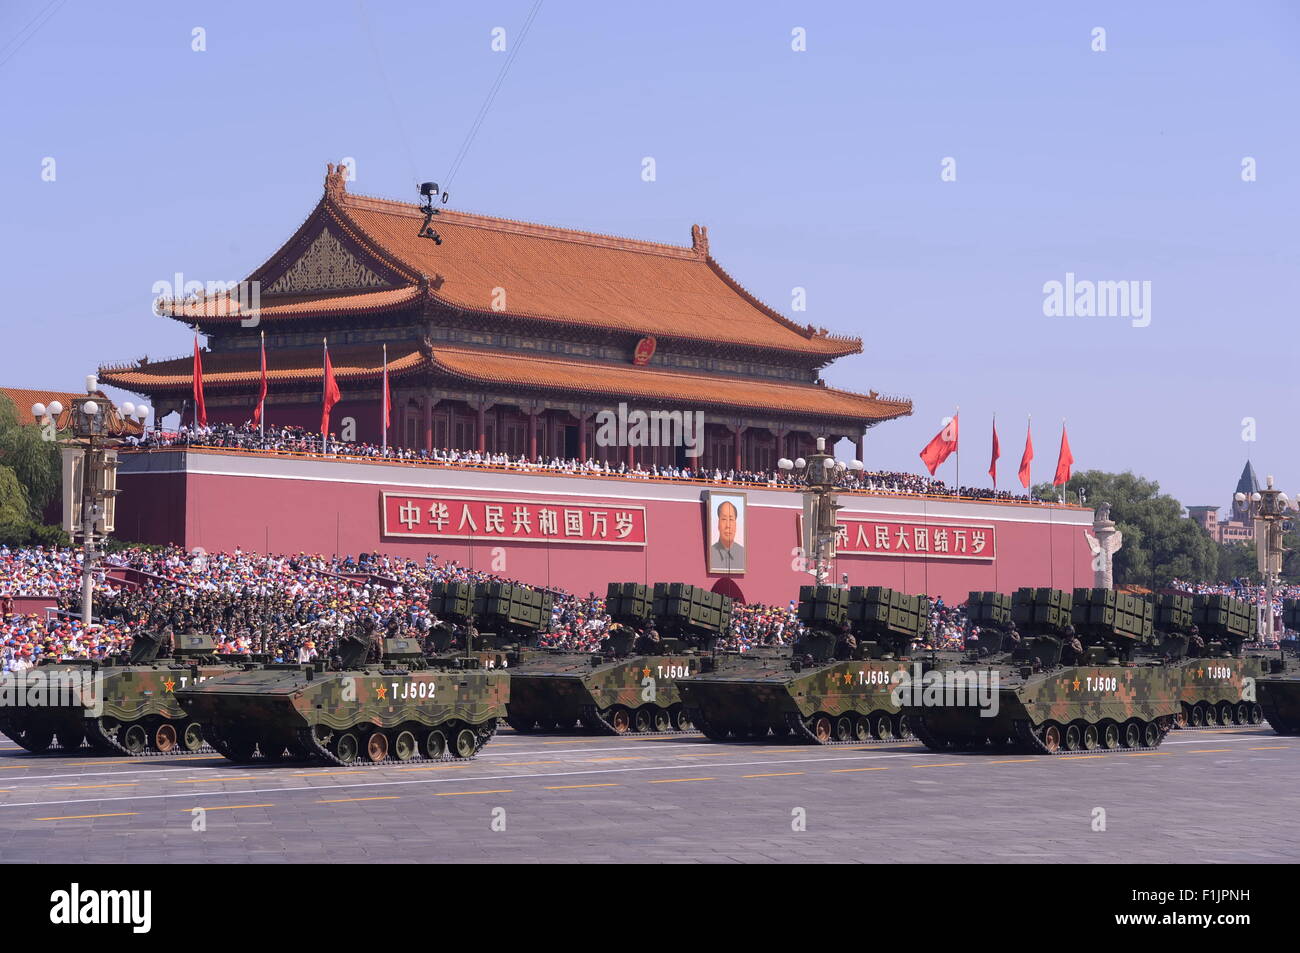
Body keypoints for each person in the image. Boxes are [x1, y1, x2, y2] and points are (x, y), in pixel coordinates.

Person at [710, 500, 745, 572]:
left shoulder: (743, 553)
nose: (728, 525)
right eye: (724, 519)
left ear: (736, 525)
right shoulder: (711, 553)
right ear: (718, 524)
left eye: (731, 519)